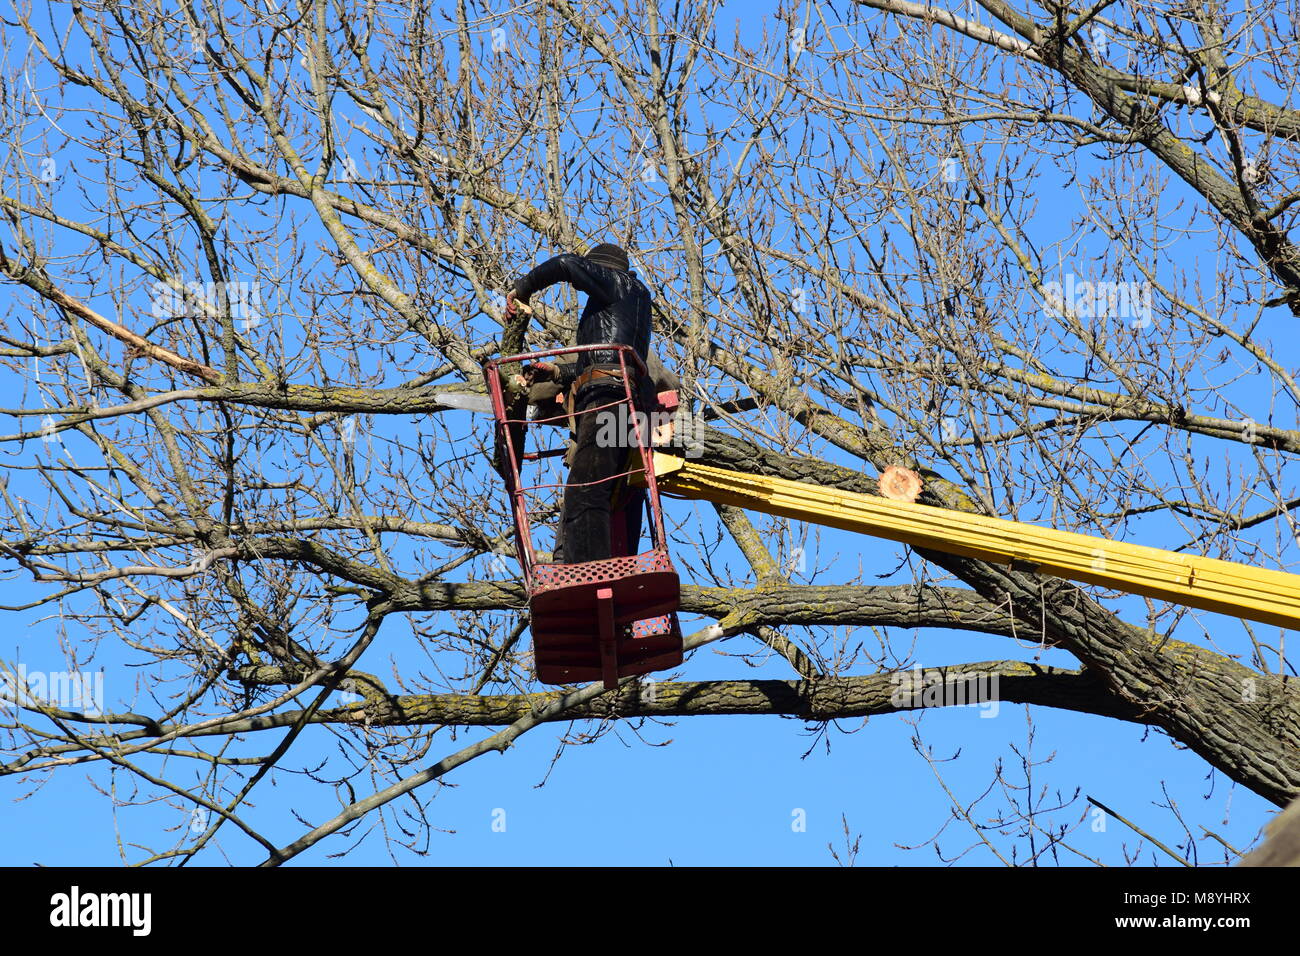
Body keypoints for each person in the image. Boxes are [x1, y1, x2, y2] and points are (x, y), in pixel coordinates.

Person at [505, 243, 653, 564]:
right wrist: (558, 371)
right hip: (625, 401)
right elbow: (605, 357)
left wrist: (523, 289)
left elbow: (567, 264)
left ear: (602, 270)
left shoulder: (617, 284)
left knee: (586, 488)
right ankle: (608, 566)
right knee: (610, 490)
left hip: (607, 398)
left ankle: (588, 571)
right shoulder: (631, 302)